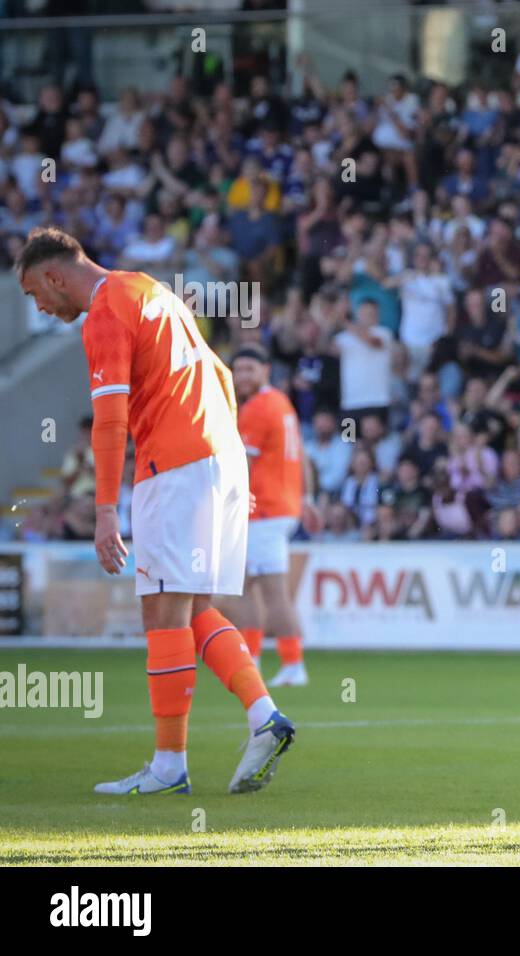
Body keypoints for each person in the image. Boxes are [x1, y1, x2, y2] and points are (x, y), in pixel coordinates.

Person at [16, 227, 294, 796]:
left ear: (53, 275)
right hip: (220, 455)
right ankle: (264, 716)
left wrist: (103, 511)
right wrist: (220, 455)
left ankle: (169, 767)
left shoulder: (104, 313)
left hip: (175, 464)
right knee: (190, 611)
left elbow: (111, 419)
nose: (40, 307)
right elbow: (218, 369)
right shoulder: (151, 290)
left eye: (33, 295)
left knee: (161, 616)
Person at [217, 345, 322, 688]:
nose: (243, 376)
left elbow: (242, 465)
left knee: (272, 590)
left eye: (250, 368)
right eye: (239, 369)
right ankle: (256, 660)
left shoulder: (258, 409)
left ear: (266, 369)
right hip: (279, 506)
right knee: (247, 585)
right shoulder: (281, 403)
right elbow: (301, 455)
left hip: (263, 509)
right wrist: (307, 497)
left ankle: (293, 664)